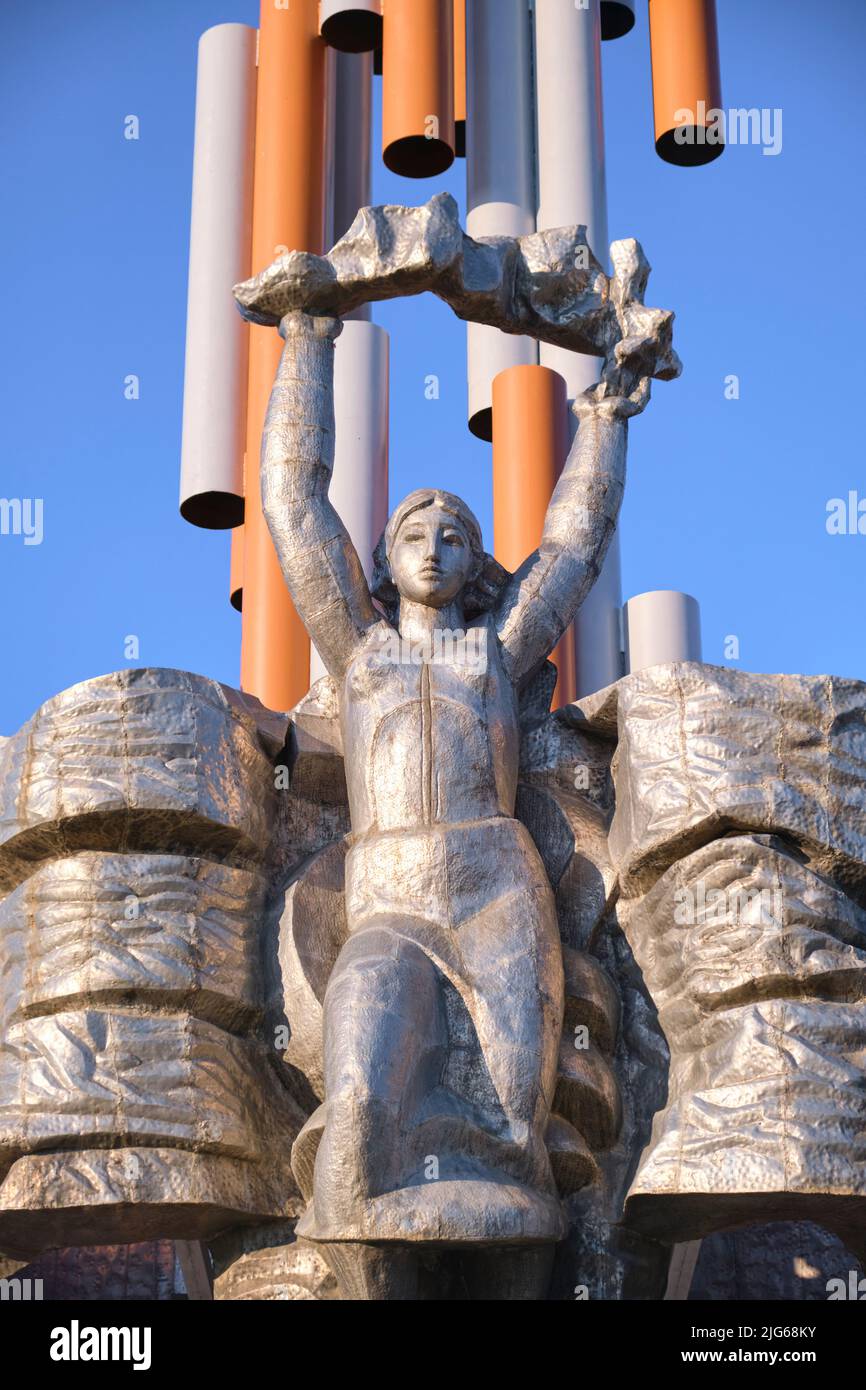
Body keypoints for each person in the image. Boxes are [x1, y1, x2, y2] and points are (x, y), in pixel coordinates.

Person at [262, 310, 646, 1299]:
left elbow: (568, 546)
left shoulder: (493, 651)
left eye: (454, 536)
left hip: (495, 898)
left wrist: (602, 416)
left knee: (512, 1127)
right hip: (385, 899)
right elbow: (292, 506)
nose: (432, 547)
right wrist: (306, 338)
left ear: (475, 567)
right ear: (385, 563)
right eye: (413, 534)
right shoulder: (360, 652)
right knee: (355, 1102)